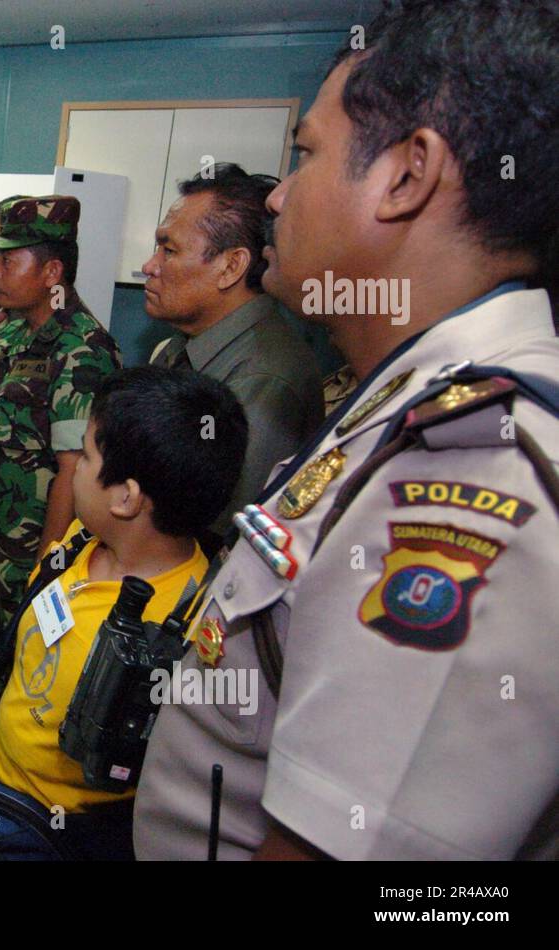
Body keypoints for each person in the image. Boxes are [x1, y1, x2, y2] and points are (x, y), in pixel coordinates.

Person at [134, 0, 559, 861]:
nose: (280, 196)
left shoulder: (474, 468)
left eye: (307, 155)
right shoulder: (398, 399)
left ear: (407, 176)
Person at [0, 366, 248, 859]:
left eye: (85, 455)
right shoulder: (80, 545)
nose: (75, 468)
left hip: (57, 838)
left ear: (125, 497)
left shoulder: (190, 629)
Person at [0, 195, 122, 729]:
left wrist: (48, 566)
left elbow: (74, 470)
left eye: (8, 260)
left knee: (22, 660)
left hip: (29, 549)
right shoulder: (8, 330)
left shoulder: (82, 349)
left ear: (52, 270)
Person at [142, 163, 323, 536]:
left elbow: (219, 530)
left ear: (231, 267)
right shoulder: (175, 349)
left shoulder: (267, 380)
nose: (149, 266)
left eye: (168, 250)